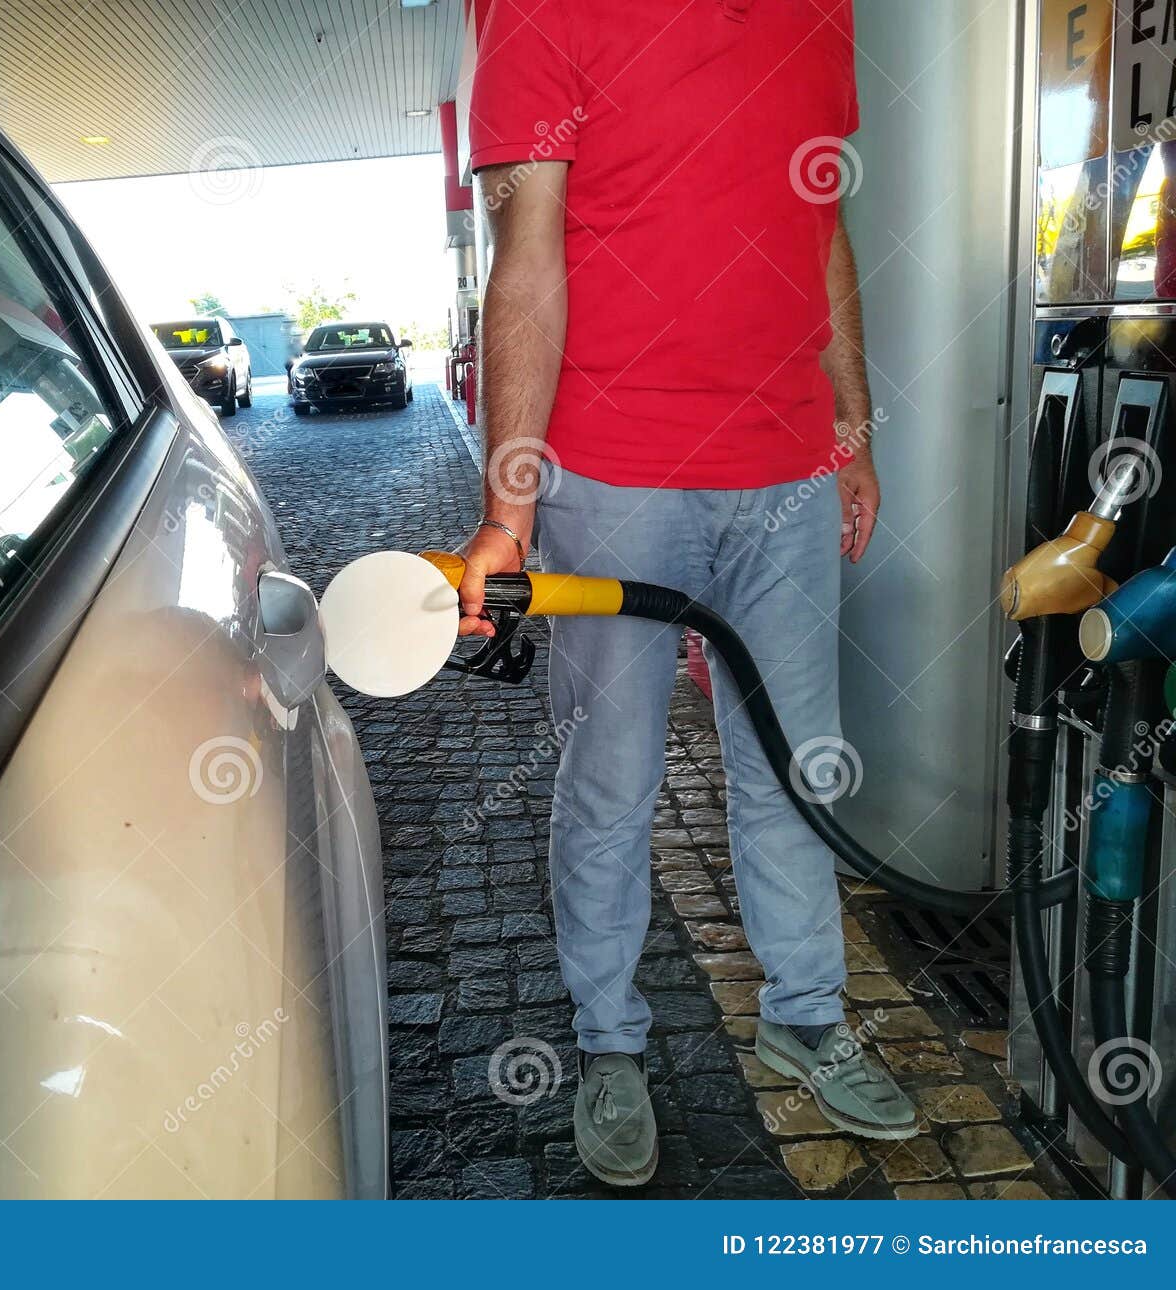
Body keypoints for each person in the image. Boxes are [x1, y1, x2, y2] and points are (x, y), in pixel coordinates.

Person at [463, 0, 918, 1187]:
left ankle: (805, 1013)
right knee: (612, 771)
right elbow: (528, 261)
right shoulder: (536, 14)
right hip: (615, 470)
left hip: (785, 465)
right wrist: (509, 511)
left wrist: (850, 431)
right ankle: (609, 1040)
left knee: (792, 760)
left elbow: (819, 232)